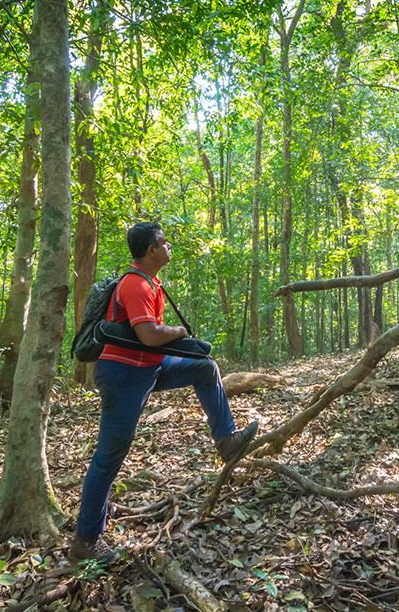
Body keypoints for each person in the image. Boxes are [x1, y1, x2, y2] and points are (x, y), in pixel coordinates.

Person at [69, 221, 258, 563]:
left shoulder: (150, 282)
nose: (168, 245)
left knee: (204, 367)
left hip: (148, 368)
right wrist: (179, 330)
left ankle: (227, 441)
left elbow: (151, 343)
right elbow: (150, 336)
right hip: (123, 375)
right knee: (108, 457)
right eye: (164, 241)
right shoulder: (135, 285)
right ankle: (86, 540)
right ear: (151, 250)